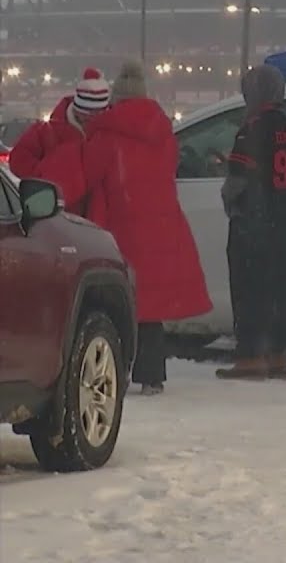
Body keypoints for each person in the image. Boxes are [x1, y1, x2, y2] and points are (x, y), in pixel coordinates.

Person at [81, 60, 212, 395]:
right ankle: (153, 375)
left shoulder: (106, 136)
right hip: (162, 223)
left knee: (119, 302)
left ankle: (118, 372)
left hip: (123, 225)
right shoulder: (162, 134)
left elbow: (91, 177)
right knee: (151, 308)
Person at [216, 65, 286, 381]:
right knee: (280, 291)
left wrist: (231, 203)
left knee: (249, 291)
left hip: (254, 223)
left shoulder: (253, 127)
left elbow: (239, 180)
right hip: (284, 219)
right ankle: (279, 354)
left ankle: (250, 357)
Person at [8, 68, 109, 217]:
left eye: (97, 115)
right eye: (86, 114)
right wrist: (44, 178)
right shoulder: (48, 131)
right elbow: (18, 159)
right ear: (76, 108)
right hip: (60, 219)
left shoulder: (112, 135)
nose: (91, 119)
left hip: (100, 221)